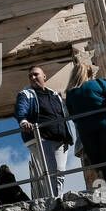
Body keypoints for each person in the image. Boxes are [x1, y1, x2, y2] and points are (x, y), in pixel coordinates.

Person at [15, 65, 74, 199]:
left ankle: (57, 198)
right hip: (41, 138)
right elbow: (21, 109)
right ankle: (53, 202)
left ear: (44, 76)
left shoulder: (55, 95)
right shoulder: (26, 94)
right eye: (30, 76)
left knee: (60, 172)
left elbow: (63, 114)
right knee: (51, 171)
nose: (33, 77)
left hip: (60, 139)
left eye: (36, 74)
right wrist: (23, 122)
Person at [65, 63, 106, 187]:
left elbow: (72, 115)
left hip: (85, 130)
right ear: (89, 74)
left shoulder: (69, 93)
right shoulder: (98, 83)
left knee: (98, 159)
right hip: (105, 124)